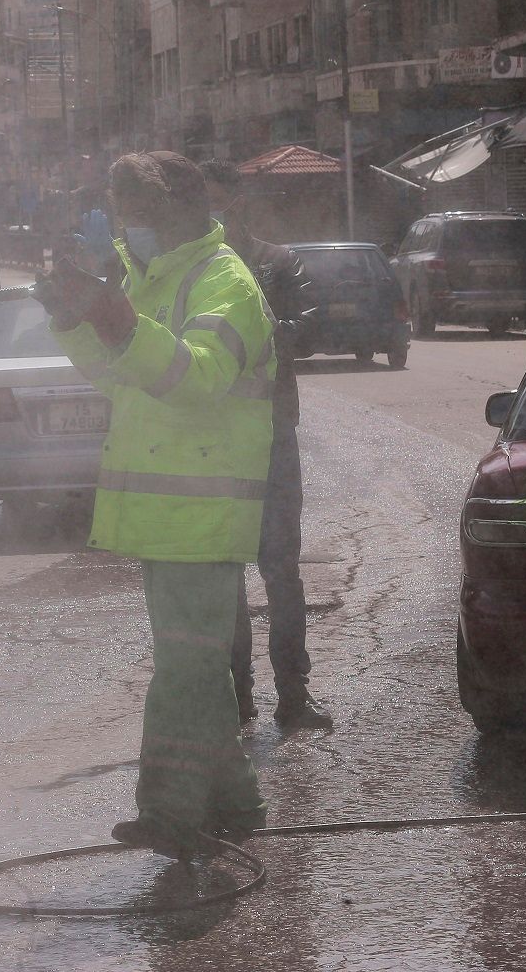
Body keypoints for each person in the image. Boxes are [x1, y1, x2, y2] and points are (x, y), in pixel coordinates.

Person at [36, 151, 277, 859]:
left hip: (206, 515)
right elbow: (120, 379)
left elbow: (197, 379)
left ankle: (169, 810)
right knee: (196, 667)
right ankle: (237, 799)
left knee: (186, 668)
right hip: (167, 518)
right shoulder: (150, 276)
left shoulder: (224, 281)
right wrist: (75, 319)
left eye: (132, 219)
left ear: (173, 215)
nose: (123, 233)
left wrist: (115, 317)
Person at [201, 160, 334, 732]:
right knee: (224, 573)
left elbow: (308, 327)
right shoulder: (195, 271)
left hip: (272, 437)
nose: (214, 215)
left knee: (280, 569)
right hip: (213, 444)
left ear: (241, 203)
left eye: (221, 203)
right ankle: (237, 695)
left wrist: (252, 327)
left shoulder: (276, 263)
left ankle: (293, 693)